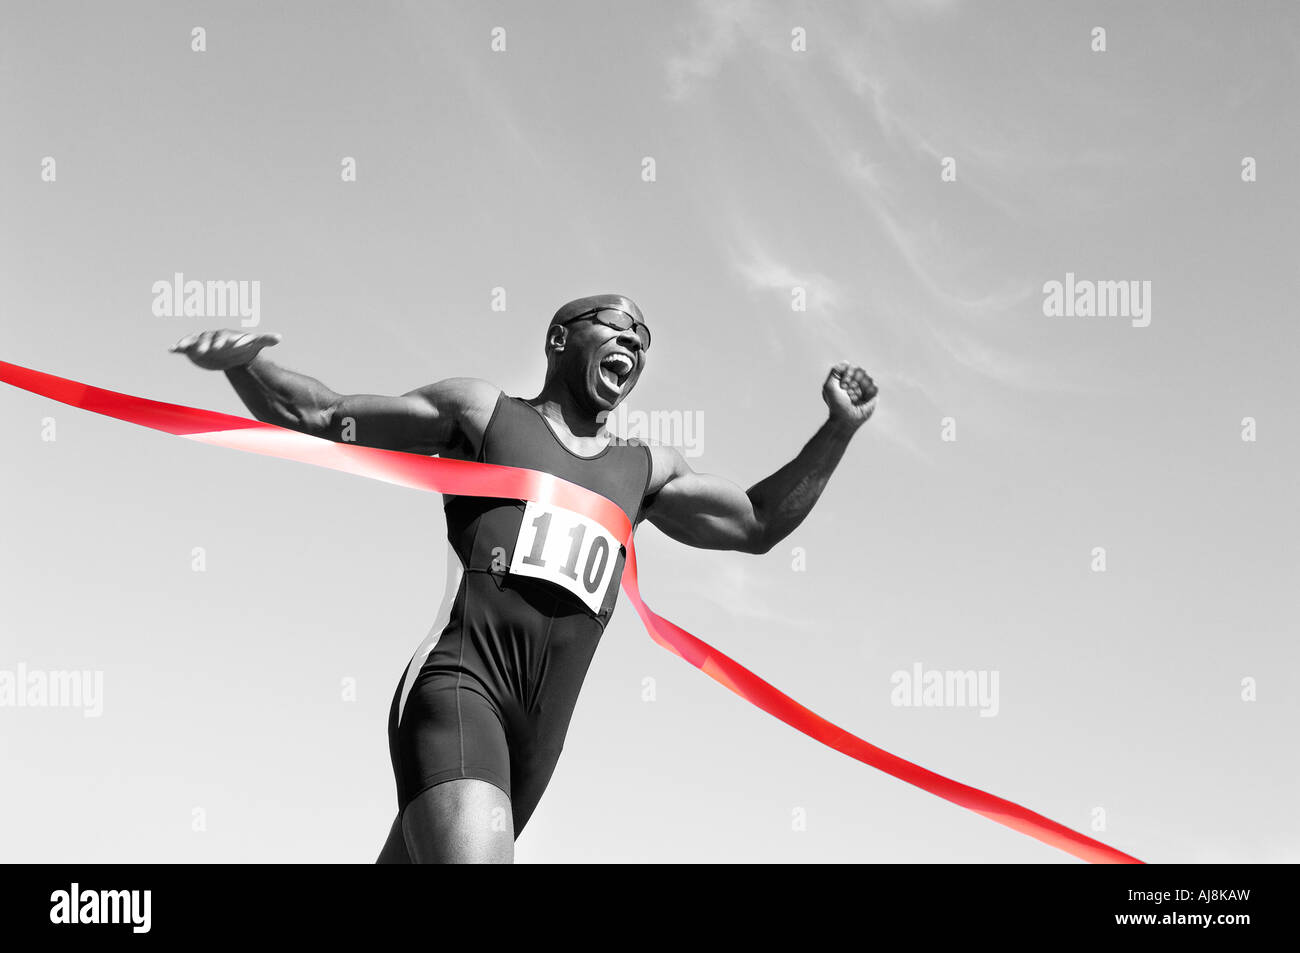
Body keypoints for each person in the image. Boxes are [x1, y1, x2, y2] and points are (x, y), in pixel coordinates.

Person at [170, 293, 877, 863]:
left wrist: (836, 431)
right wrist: (244, 366)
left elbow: (755, 523)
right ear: (559, 339)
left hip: (535, 746)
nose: (633, 338)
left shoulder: (646, 470)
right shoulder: (483, 414)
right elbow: (325, 415)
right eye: (615, 322)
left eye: (644, 336)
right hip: (458, 690)